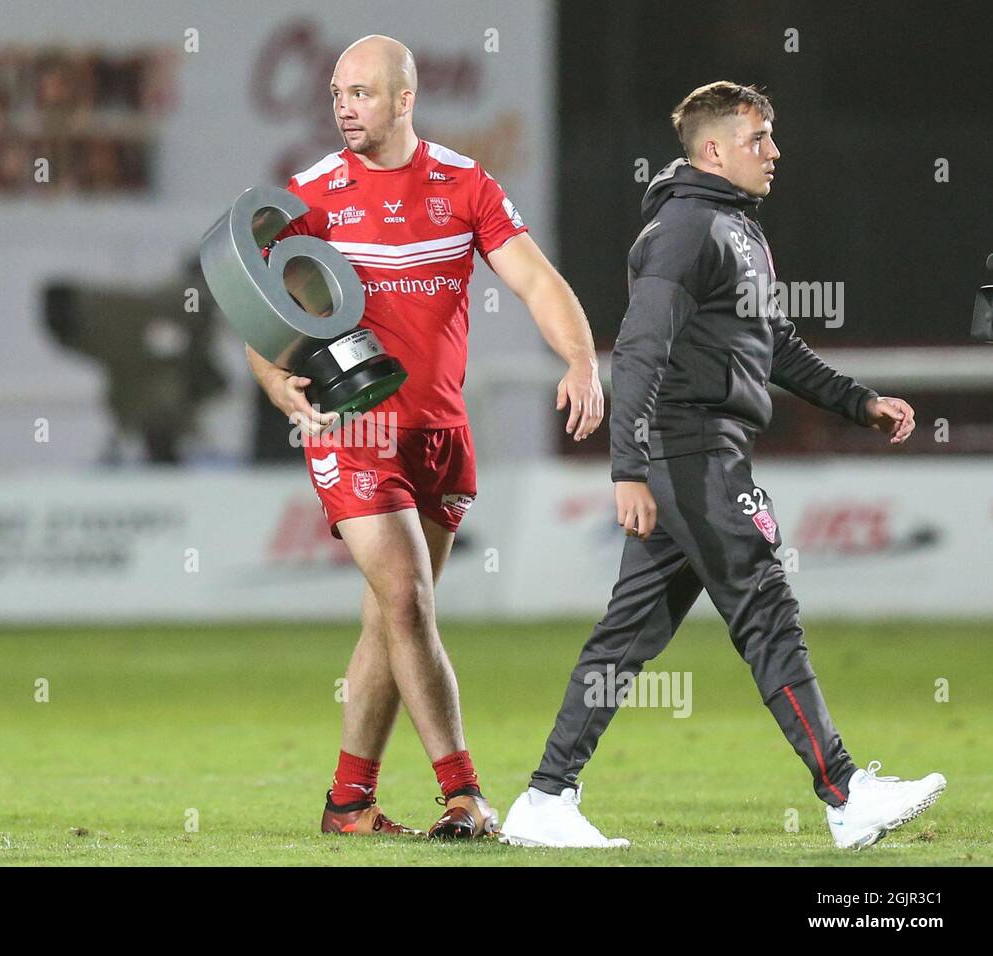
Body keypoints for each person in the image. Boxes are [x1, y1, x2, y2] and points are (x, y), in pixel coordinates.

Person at [499, 81, 945, 850]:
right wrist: (628, 468)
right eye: (759, 137)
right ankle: (845, 794)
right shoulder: (685, 228)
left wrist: (857, 401)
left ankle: (545, 799)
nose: (774, 151)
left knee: (626, 636)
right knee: (766, 610)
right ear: (713, 150)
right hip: (690, 450)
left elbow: (773, 345)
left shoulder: (735, 229)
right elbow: (639, 350)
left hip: (695, 450)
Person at [246, 35, 604, 838]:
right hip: (356, 429)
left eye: (361, 93)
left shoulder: (464, 184)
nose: (343, 105)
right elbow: (256, 313)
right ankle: (464, 792)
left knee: (391, 616)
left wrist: (581, 359)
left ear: (405, 100)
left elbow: (536, 279)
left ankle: (348, 804)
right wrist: (276, 381)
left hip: (439, 432)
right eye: (337, 92)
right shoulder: (311, 198)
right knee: (406, 598)